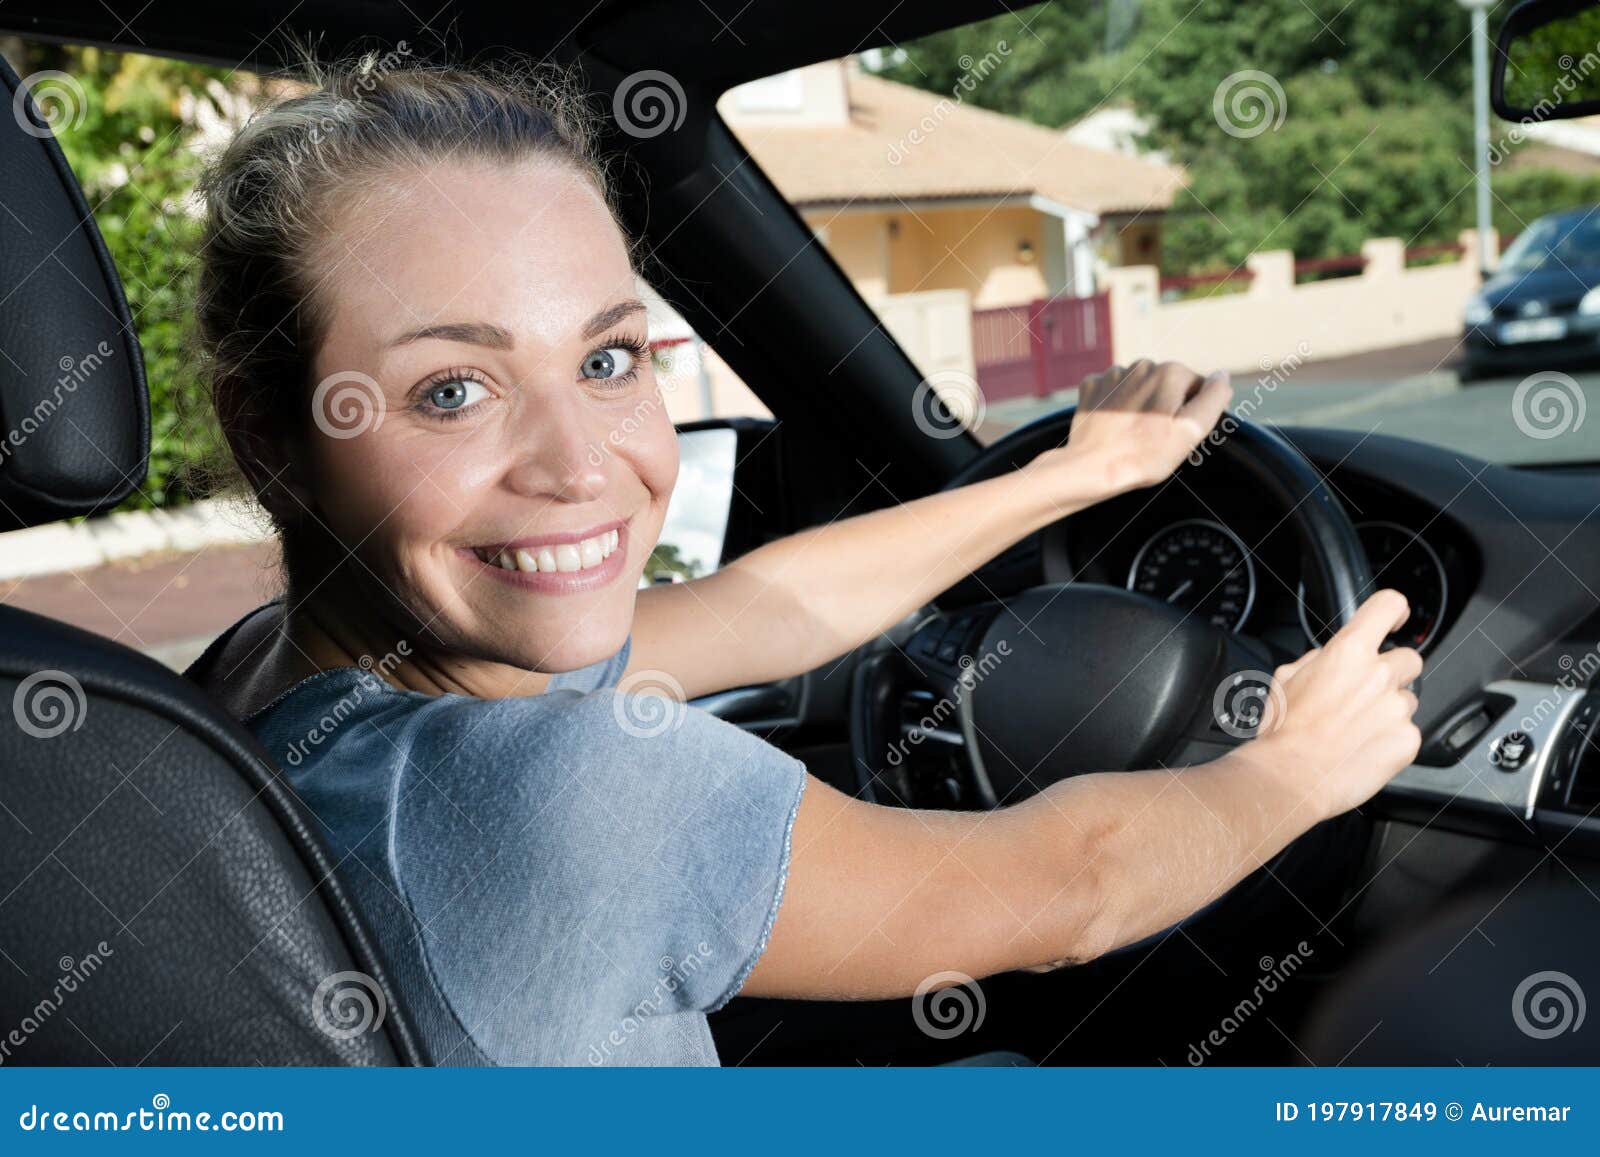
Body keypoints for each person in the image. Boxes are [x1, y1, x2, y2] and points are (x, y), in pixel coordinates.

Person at [191, 57, 1423, 1065]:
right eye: (452, 390)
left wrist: (1071, 474)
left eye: (609, 359)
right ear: (269, 433)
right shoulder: (563, 793)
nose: (578, 464)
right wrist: (1293, 770)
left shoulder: (252, 682)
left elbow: (760, 608)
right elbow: (1073, 887)